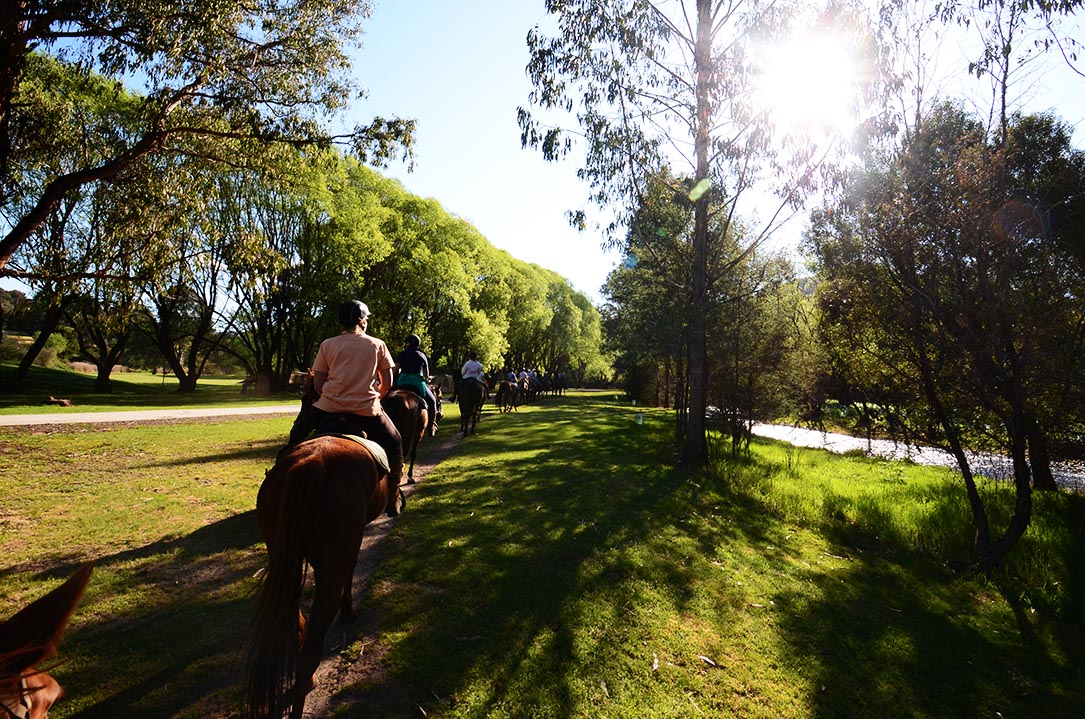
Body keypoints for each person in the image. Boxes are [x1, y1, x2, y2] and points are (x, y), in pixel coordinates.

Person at [280, 300, 404, 514]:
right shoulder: (377, 344)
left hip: (327, 408)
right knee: (396, 443)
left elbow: (318, 383)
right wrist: (375, 396)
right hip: (367, 411)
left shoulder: (327, 345)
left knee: (294, 438)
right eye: (366, 318)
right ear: (362, 320)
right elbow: (388, 383)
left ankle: (280, 481)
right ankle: (392, 497)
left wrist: (335, 397)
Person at [394, 333, 439, 436]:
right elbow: (427, 373)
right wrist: (426, 380)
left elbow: (395, 369)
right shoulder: (422, 355)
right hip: (418, 382)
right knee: (432, 402)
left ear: (408, 343)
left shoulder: (402, 354)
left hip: (402, 381)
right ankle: (431, 426)